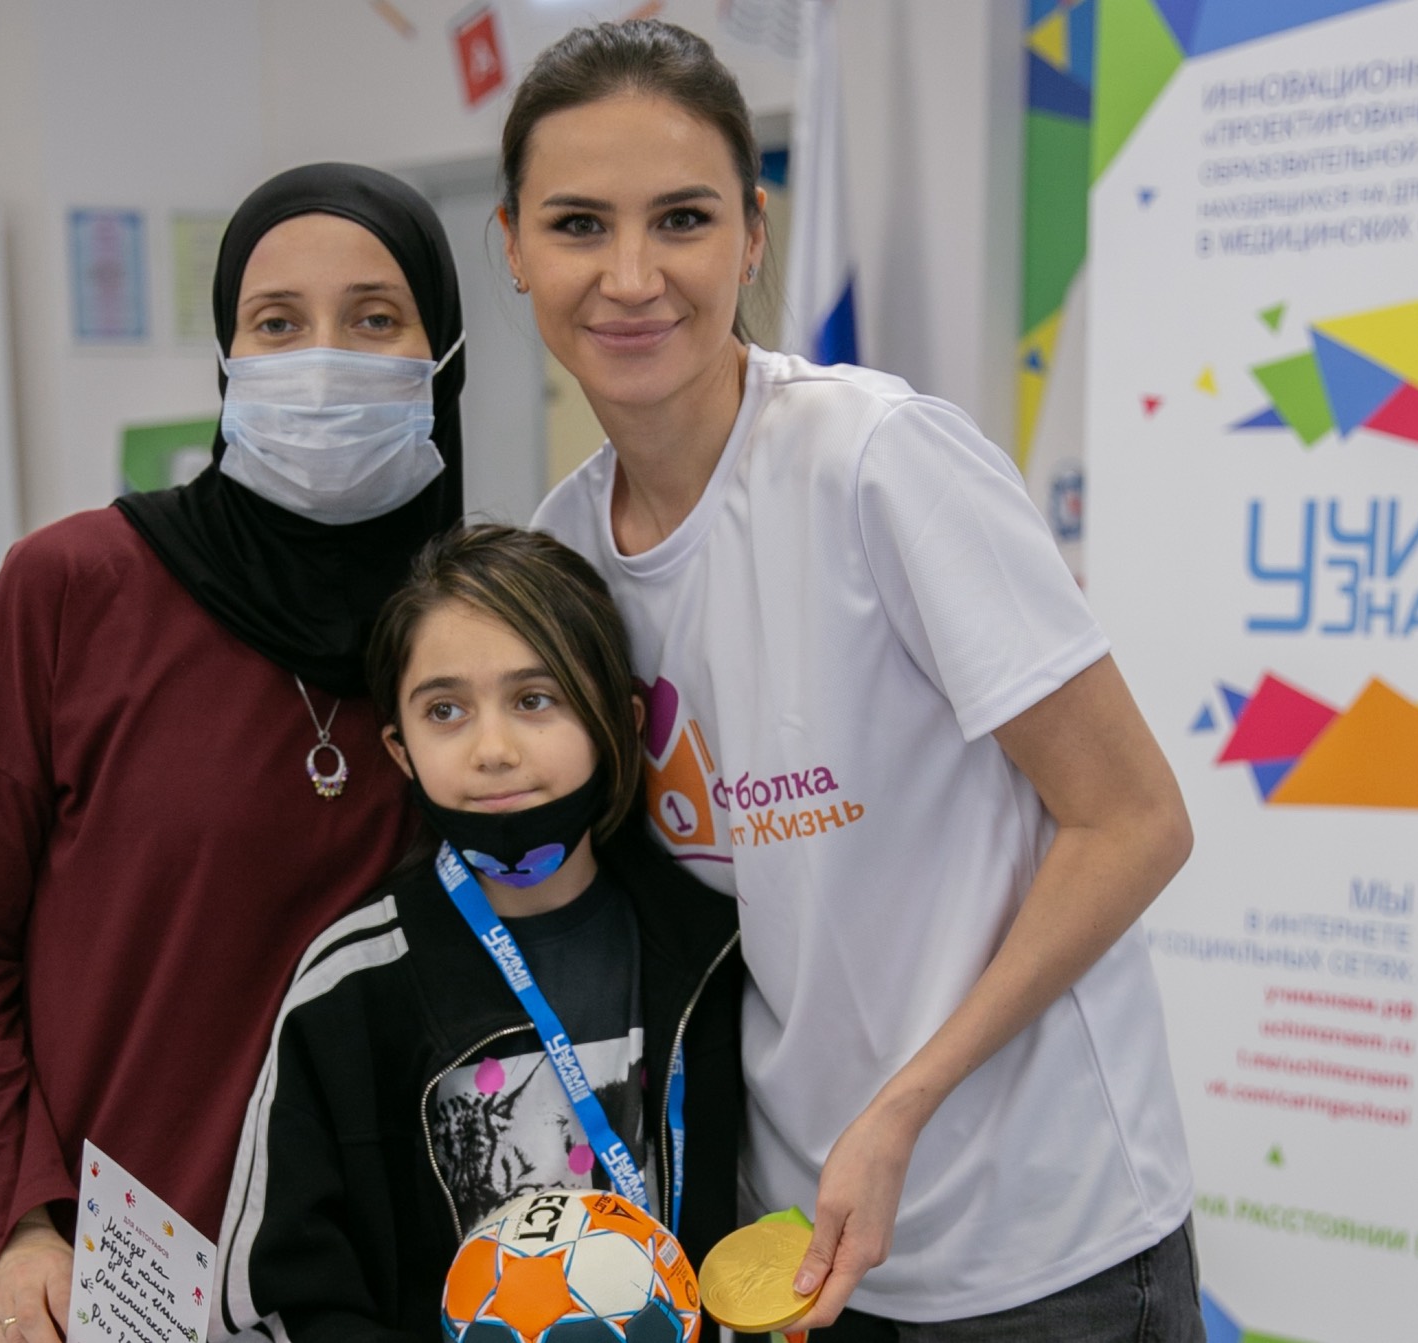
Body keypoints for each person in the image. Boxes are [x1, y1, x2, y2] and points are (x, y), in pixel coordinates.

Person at [504, 20, 1203, 1341]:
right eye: (579, 224)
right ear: (514, 247)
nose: (631, 276)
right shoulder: (560, 555)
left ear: (751, 237)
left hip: (1038, 1242)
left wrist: (901, 1106)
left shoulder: (879, 460)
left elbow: (1134, 820)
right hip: (793, 1246)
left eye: (684, 218)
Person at [0, 163, 468, 1343]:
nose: (321, 361)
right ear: (227, 355)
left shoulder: (474, 628)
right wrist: (17, 1220)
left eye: (373, 319)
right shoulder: (76, 587)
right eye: (276, 323)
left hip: (389, 1281)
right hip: (109, 1282)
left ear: (443, 353)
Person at [213, 524, 744, 1343]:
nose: (492, 749)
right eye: (445, 710)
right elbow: (277, 1290)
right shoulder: (346, 989)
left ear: (620, 719)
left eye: (535, 699)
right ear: (401, 749)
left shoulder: (713, 950)